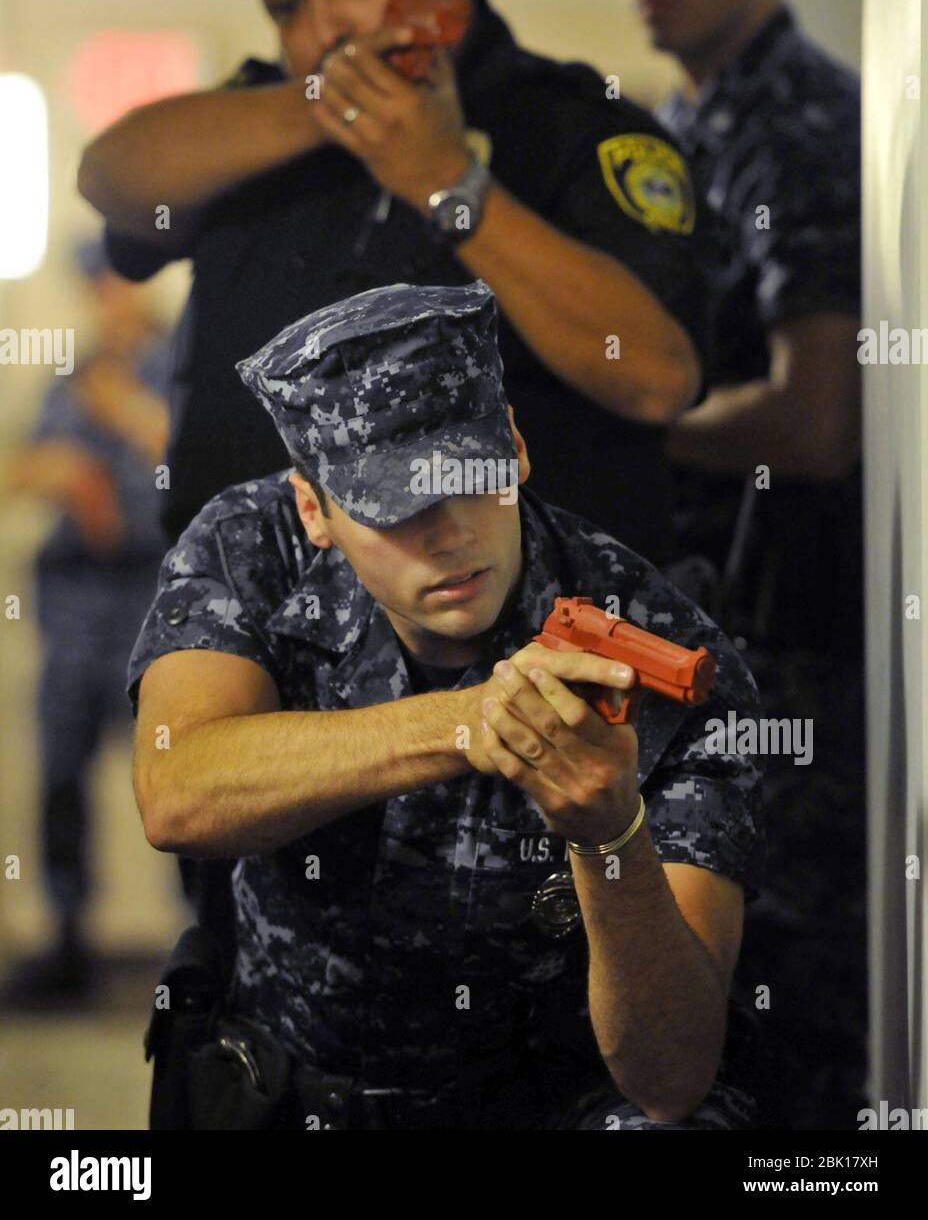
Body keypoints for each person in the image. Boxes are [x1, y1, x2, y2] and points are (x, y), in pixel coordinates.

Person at [128, 279, 765, 1130]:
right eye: (394, 504)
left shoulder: (656, 648)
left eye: (472, 476)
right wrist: (465, 722)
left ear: (515, 446)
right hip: (300, 1091)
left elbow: (670, 1075)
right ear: (314, 509)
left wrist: (610, 837)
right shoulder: (254, 545)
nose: (450, 533)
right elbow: (176, 791)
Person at [78, 0, 709, 566]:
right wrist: (330, 109)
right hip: (248, 608)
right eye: (287, 5)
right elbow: (108, 175)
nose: (326, 29)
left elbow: (658, 378)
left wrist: (451, 182)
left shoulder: (569, 126)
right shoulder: (254, 126)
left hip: (514, 615)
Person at [598, 0, 866, 1128]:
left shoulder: (797, 121)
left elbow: (816, 420)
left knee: (781, 1042)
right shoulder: (683, 126)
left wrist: (628, 429)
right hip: (700, 645)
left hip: (783, 660)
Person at [0, 239, 171, 1007]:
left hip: (154, 605)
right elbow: (19, 466)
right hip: (76, 606)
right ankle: (67, 939)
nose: (106, 299)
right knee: (61, 774)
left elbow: (194, 465)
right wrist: (61, 471)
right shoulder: (73, 374)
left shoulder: (180, 365)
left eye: (114, 282)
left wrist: (126, 412)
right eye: (95, 286)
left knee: (176, 770)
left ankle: (209, 938)